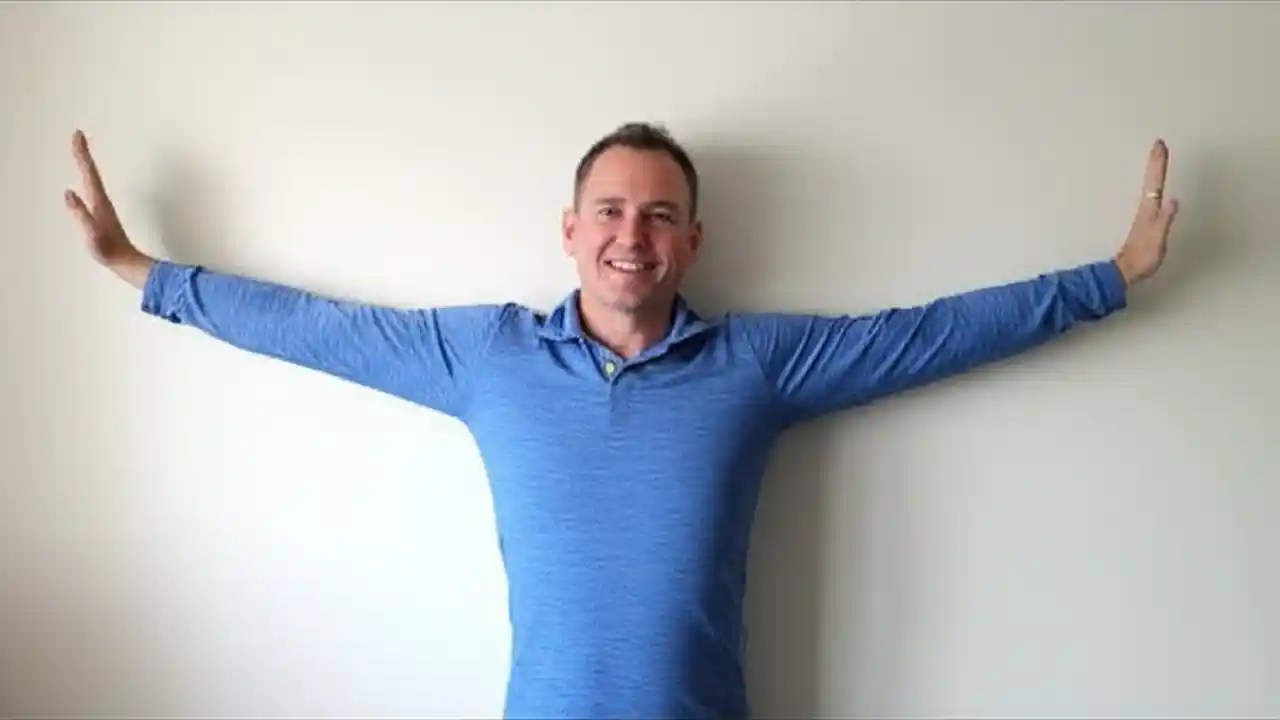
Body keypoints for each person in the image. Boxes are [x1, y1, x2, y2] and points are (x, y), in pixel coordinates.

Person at [63, 122, 1179, 718]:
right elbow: (314, 327)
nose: (630, 236)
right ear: (568, 228)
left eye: (657, 215)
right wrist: (143, 271)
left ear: (690, 240)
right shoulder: (483, 354)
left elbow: (933, 333)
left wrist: (1111, 275)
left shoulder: (759, 363)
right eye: (608, 210)